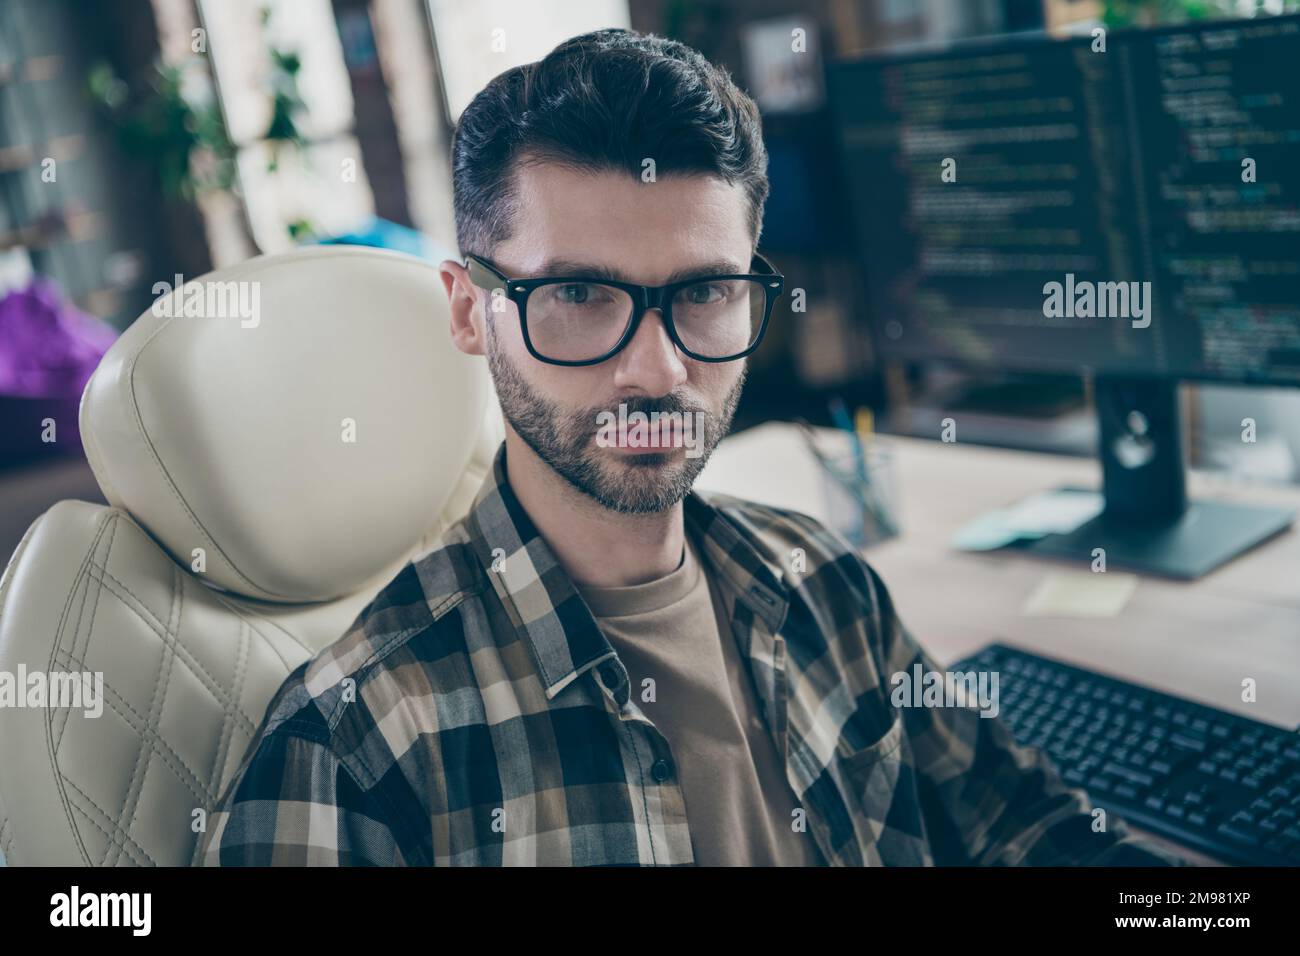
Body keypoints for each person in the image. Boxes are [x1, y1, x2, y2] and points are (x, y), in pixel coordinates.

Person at [198, 28, 1183, 866]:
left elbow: (1027, 828)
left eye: (703, 292)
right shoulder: (353, 747)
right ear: (470, 311)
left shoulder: (820, 580)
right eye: (579, 295)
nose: (658, 369)